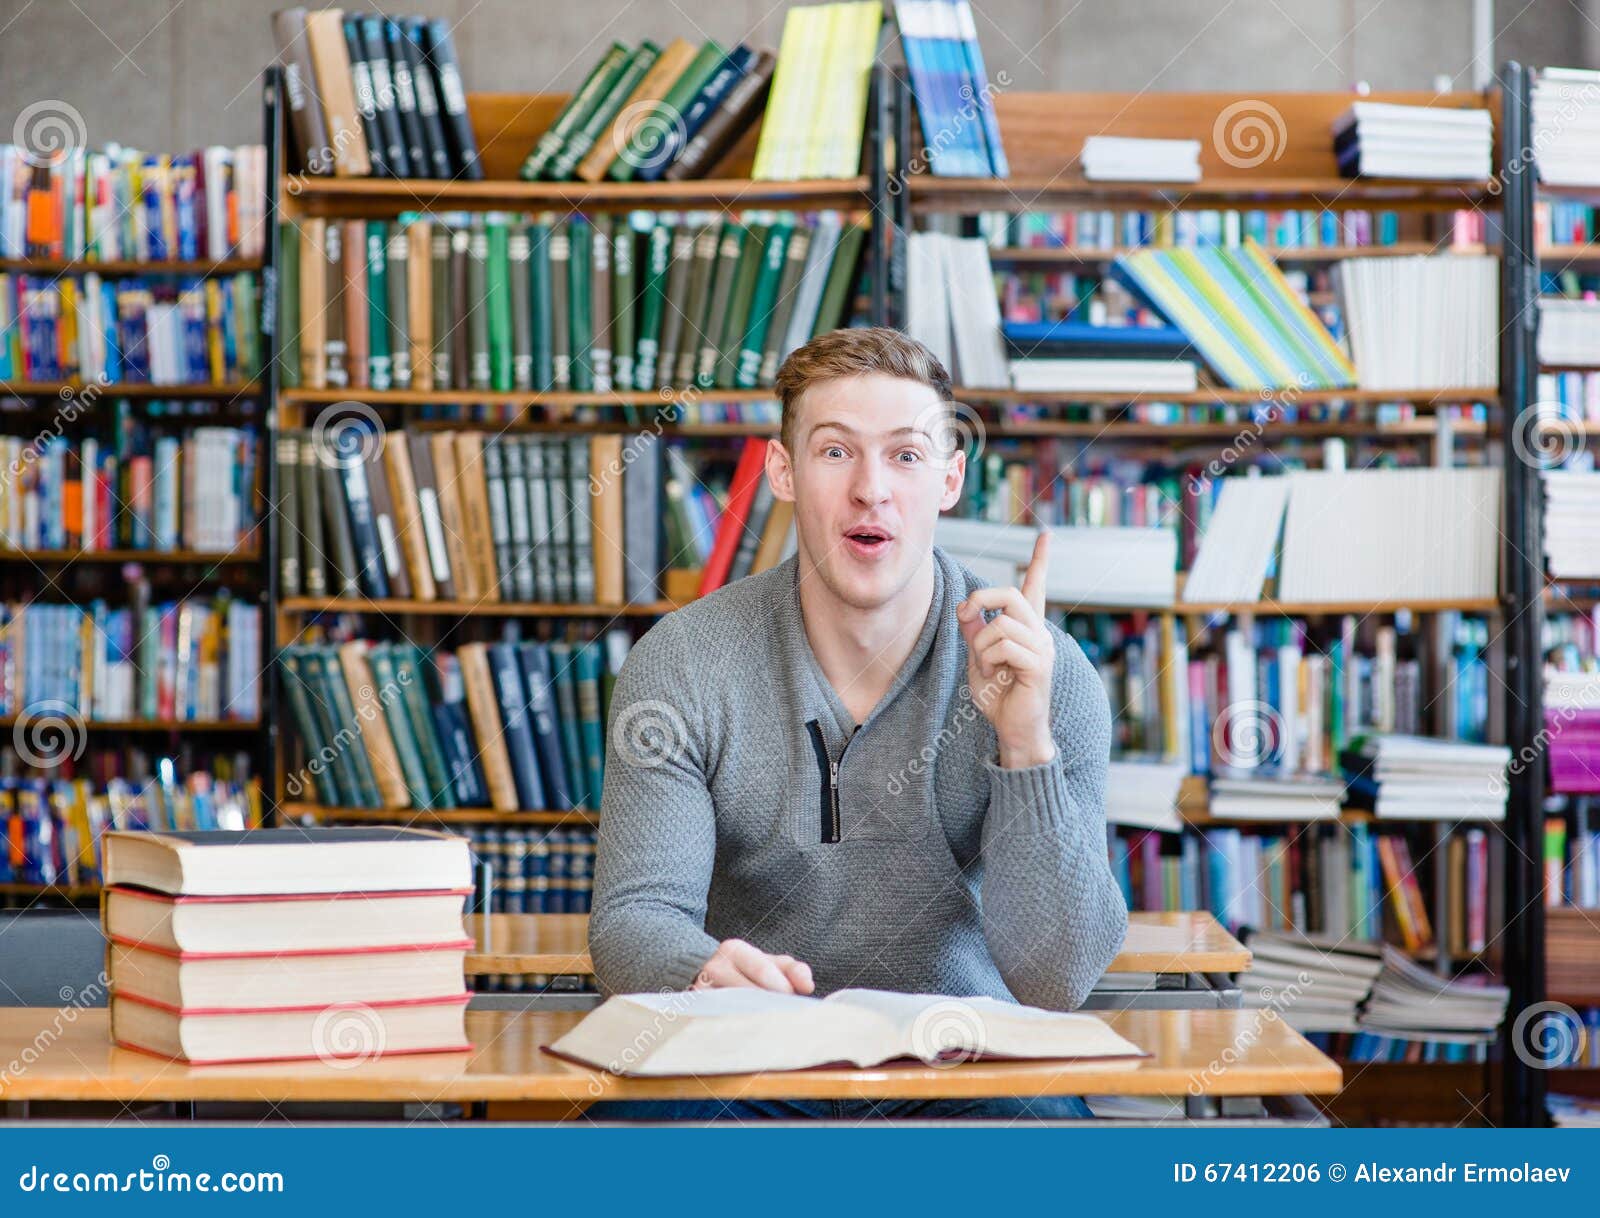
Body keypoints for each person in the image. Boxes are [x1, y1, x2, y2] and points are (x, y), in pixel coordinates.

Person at [585, 327, 1126, 1121]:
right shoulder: (682, 662)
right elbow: (631, 921)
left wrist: (1025, 743)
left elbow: (1057, 978)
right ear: (783, 471)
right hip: (745, 1065)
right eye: (836, 452)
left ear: (949, 479)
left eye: (906, 455)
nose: (872, 489)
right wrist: (700, 969)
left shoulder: (1052, 677)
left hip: (964, 1071)